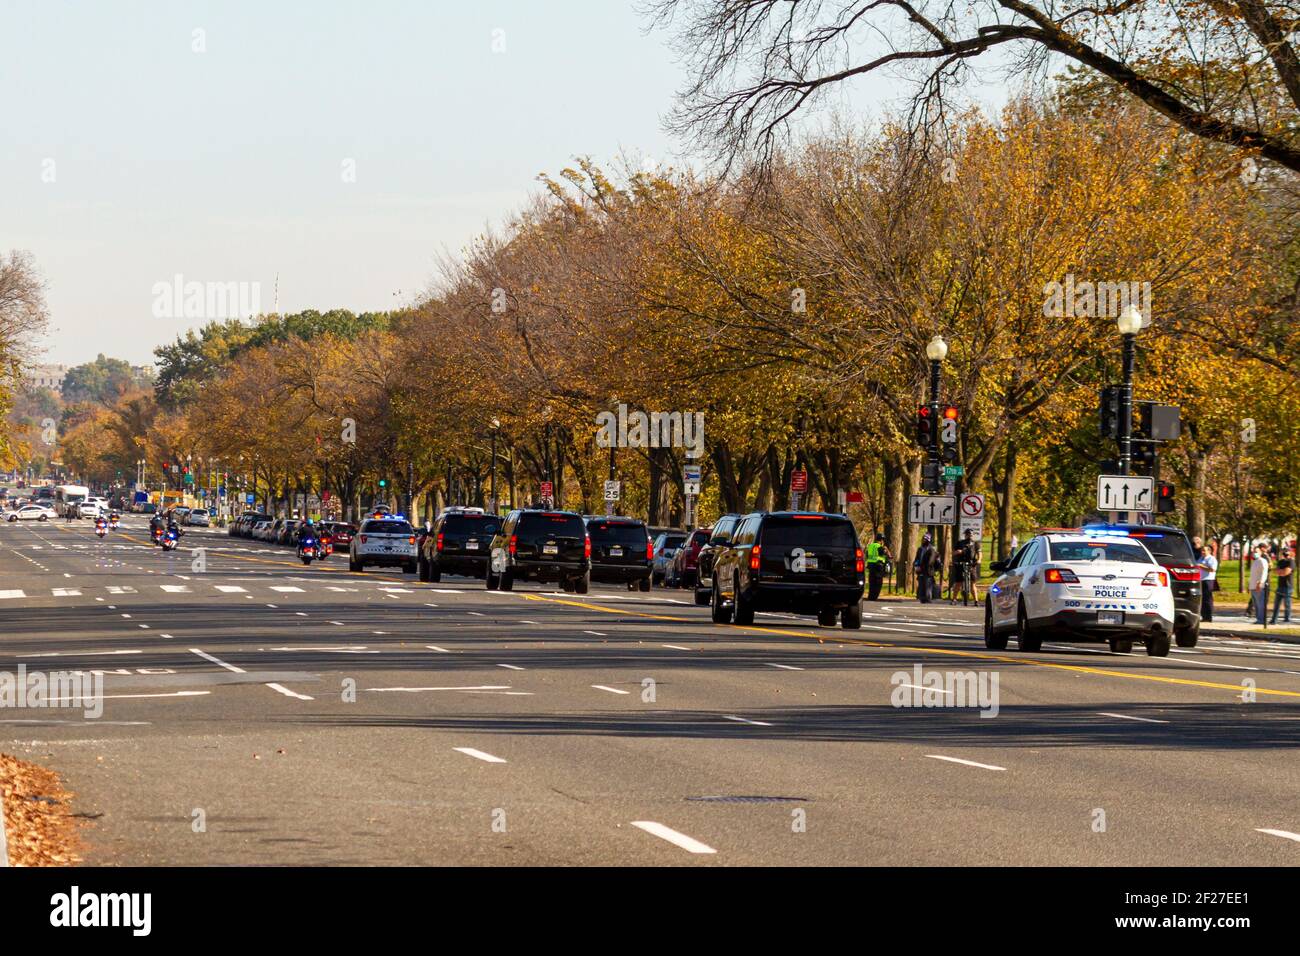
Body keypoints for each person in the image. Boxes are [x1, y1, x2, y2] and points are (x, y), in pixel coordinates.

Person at [953, 529, 980, 606]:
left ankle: (976, 601)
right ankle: (954, 599)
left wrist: (979, 560)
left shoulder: (975, 543)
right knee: (958, 582)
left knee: (973, 583)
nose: (969, 536)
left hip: (972, 564)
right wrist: (958, 552)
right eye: (968, 534)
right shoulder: (960, 543)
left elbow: (979, 553)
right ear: (965, 535)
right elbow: (954, 552)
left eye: (971, 534)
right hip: (961, 564)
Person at [1250, 544, 1271, 626]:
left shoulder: (1263, 561)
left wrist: (1260, 582)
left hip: (1259, 586)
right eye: (1254, 552)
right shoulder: (1255, 562)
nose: (1254, 553)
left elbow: (1264, 573)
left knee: (1261, 604)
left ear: (1260, 552)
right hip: (1253, 586)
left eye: (1256, 552)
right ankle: (1258, 619)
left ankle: (1262, 619)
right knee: (1256, 604)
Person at [866, 532, 891, 601]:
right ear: (881, 540)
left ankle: (870, 597)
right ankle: (874, 597)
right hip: (878, 566)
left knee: (872, 582)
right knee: (878, 583)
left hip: (871, 566)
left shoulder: (870, 546)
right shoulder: (880, 547)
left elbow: (867, 555)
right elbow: (888, 555)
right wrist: (886, 549)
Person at [1271, 546, 1293, 624]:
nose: (1285, 552)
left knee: (1287, 604)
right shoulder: (1280, 562)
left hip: (1288, 586)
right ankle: (1274, 620)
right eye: (1284, 551)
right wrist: (1281, 571)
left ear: (1290, 552)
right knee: (1276, 604)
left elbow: (1286, 572)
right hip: (1280, 586)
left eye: (1287, 551)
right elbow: (1276, 571)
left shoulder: (1291, 561)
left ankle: (1287, 620)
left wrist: (1280, 571)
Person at [1197, 545, 1218, 623]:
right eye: (1202, 550)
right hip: (1200, 580)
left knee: (1207, 599)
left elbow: (1212, 569)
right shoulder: (1201, 558)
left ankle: (1208, 617)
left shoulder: (1211, 559)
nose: (1202, 552)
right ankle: (1204, 616)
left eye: (1204, 550)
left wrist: (1201, 566)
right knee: (1202, 599)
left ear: (1209, 551)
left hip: (1208, 580)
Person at [913, 534, 937, 604]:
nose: (923, 540)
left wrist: (925, 566)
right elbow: (917, 558)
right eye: (923, 539)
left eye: (925, 539)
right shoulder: (920, 549)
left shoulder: (931, 549)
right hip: (920, 569)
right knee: (921, 584)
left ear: (928, 540)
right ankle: (922, 598)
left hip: (928, 570)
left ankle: (928, 598)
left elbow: (931, 560)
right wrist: (916, 566)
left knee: (928, 584)